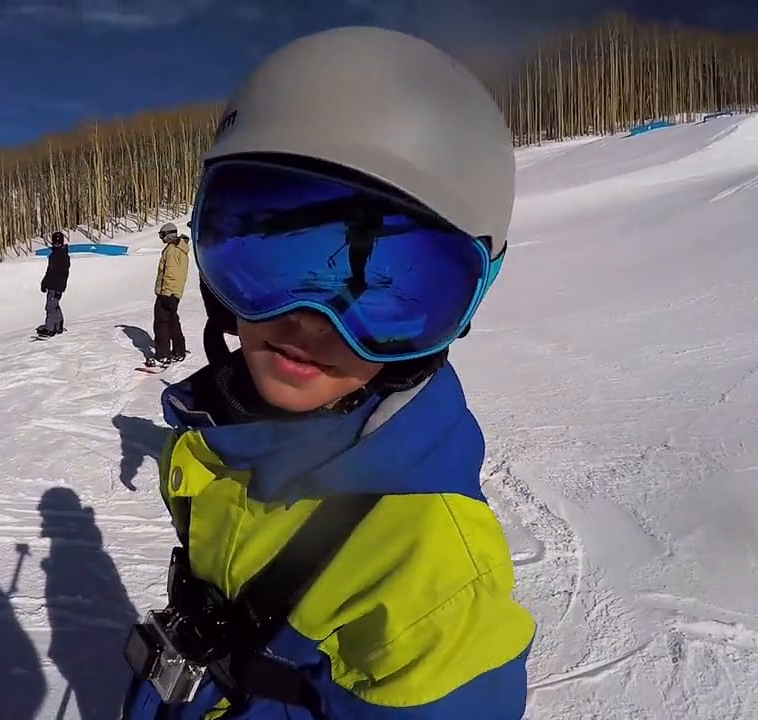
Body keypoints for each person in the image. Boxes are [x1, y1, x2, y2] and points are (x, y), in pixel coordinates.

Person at [119, 26, 534, 720]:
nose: (310, 322)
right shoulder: (206, 440)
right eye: (273, 262)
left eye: (392, 290)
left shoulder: (427, 570)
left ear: (457, 315)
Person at [147, 222, 190, 366]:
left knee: (161, 323)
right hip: (175, 292)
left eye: (162, 235)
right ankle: (179, 350)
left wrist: (166, 293)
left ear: (168, 234)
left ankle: (163, 353)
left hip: (167, 292)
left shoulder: (172, 250)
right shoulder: (180, 248)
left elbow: (171, 273)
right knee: (172, 321)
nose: (161, 238)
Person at [37, 231, 70, 338]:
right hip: (54, 285)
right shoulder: (57, 254)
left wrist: (48, 284)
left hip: (56, 286)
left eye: (58, 243)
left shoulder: (60, 256)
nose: (56, 245)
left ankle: (50, 328)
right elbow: (50, 271)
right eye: (55, 243)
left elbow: (57, 272)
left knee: (50, 307)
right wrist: (45, 282)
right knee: (54, 305)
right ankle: (58, 325)